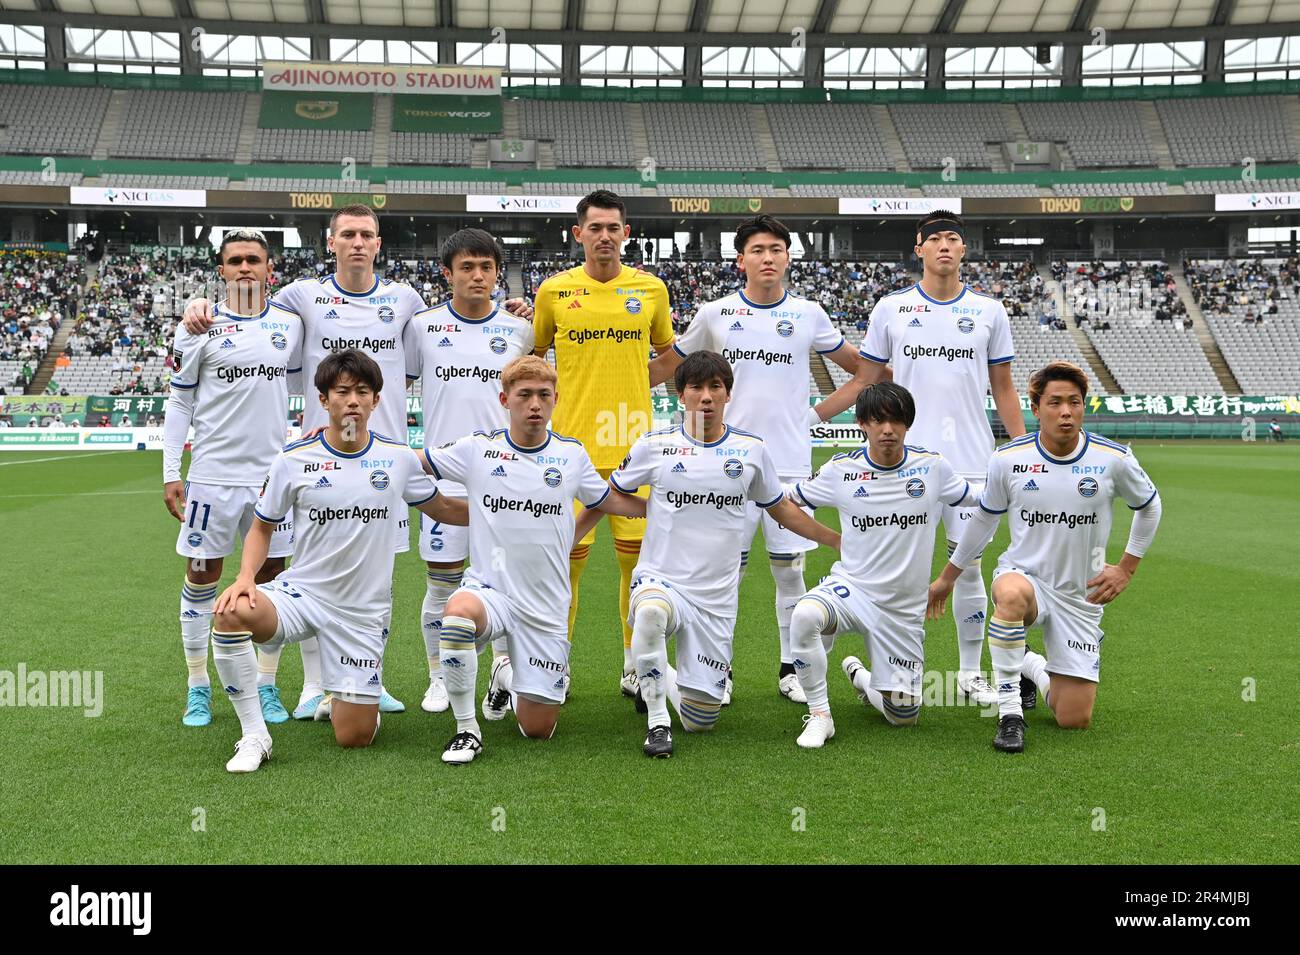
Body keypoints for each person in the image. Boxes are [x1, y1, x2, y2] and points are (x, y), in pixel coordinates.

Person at [185, 207, 532, 718]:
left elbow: (451, 342)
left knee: (379, 578)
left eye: (366, 234)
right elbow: (248, 300)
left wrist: (514, 308)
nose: (356, 242)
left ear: (378, 243)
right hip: (320, 462)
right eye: (347, 234)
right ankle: (313, 685)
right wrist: (200, 304)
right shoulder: (299, 297)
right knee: (312, 571)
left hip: (385, 462)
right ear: (331, 242)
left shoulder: (407, 303)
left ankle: (371, 678)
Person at [211, 349, 468, 772]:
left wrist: (502, 506)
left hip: (361, 614)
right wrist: (244, 576)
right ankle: (254, 735)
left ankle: (353, 699)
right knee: (231, 613)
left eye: (362, 392)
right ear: (323, 399)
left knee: (354, 738)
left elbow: (443, 508)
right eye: (342, 392)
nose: (352, 401)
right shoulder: (293, 460)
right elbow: (261, 526)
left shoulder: (398, 458)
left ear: (377, 401)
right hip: (304, 594)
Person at [648, 215, 868, 704]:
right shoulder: (715, 312)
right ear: (740, 259)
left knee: (789, 569)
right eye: (758, 250)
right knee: (727, 571)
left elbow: (863, 372)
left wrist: (815, 415)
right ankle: (716, 670)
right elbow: (668, 366)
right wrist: (604, 380)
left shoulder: (810, 313)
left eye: (776, 249)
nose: (768, 258)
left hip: (788, 464)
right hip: (726, 466)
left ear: (788, 257)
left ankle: (792, 669)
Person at [610, 350, 839, 758]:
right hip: (662, 578)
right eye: (696, 388)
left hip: (715, 597)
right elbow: (612, 494)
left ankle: (659, 678)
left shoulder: (751, 451)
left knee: (701, 720)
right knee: (649, 613)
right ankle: (658, 721)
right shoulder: (654, 445)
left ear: (728, 394)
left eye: (715, 387)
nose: (706, 397)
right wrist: (646, 509)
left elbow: (781, 507)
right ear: (680, 394)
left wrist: (834, 539)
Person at [419, 356, 645, 763]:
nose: (535, 404)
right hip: (492, 591)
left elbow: (604, 499)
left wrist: (658, 506)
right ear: (505, 399)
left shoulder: (571, 455)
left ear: (556, 399)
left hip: (545, 604)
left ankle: (503, 673)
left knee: (537, 730)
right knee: (456, 614)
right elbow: (410, 460)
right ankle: (467, 729)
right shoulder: (477, 450)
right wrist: (344, 438)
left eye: (543, 395)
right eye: (525, 395)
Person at [927, 361, 1162, 753]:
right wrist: (949, 576)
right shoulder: (1008, 459)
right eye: (1055, 402)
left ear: (1084, 407)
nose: (1066, 411)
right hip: (1026, 578)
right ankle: (1009, 715)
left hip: (1080, 595)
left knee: (1074, 719)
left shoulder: (1113, 459)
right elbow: (984, 519)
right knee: (1010, 595)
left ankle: (1029, 664)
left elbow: (1150, 507)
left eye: (1075, 402)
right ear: (1036, 408)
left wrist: (1126, 568)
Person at [856, 209, 1025, 707]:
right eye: (936, 239)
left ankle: (971, 674)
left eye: (954, 238)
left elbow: (1004, 386)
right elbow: (871, 382)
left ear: (964, 249)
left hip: (972, 461)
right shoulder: (890, 308)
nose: (945, 246)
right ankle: (890, 672)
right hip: (905, 461)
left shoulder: (991, 312)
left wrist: (1019, 446)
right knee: (892, 569)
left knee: (969, 566)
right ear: (920, 248)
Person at [531, 190, 675, 699]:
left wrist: (633, 380)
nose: (605, 236)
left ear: (626, 234)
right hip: (570, 454)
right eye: (595, 228)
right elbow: (535, 359)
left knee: (638, 568)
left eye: (614, 227)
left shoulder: (651, 290)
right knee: (562, 566)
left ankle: (635, 665)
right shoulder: (553, 292)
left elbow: (670, 357)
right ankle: (555, 665)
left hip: (635, 455)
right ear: (579, 234)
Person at [784, 381, 979, 748]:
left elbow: (982, 506)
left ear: (907, 423)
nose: (887, 430)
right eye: (877, 421)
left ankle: (860, 676)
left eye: (895, 421)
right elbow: (785, 503)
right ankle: (820, 715)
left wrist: (950, 574)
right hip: (852, 589)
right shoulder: (840, 469)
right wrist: (831, 539)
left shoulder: (933, 469)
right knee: (805, 615)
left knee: (903, 716)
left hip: (903, 608)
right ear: (862, 423)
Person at [163, 229, 303, 729]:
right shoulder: (198, 327)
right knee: (203, 577)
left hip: (271, 481)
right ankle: (198, 686)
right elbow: (180, 401)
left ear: (270, 269)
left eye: (254, 260)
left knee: (270, 580)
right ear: (221, 269)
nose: (245, 267)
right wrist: (170, 472)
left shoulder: (290, 325)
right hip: (211, 479)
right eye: (235, 260)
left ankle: (266, 686)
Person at [406, 228, 534, 715]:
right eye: (467, 267)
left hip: (505, 479)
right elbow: (398, 388)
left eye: (486, 267)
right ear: (447, 273)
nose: (477, 276)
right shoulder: (422, 327)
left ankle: (504, 670)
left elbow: (532, 397)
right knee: (442, 581)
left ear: (498, 273)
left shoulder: (519, 331)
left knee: (505, 581)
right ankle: (439, 677)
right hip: (443, 477)